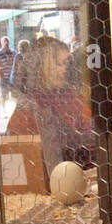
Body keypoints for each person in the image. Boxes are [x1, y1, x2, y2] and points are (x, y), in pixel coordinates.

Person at [15, 35, 94, 171]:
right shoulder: (31, 105)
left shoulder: (69, 95)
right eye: (59, 64)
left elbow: (86, 130)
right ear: (43, 67)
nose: (64, 70)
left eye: (66, 63)